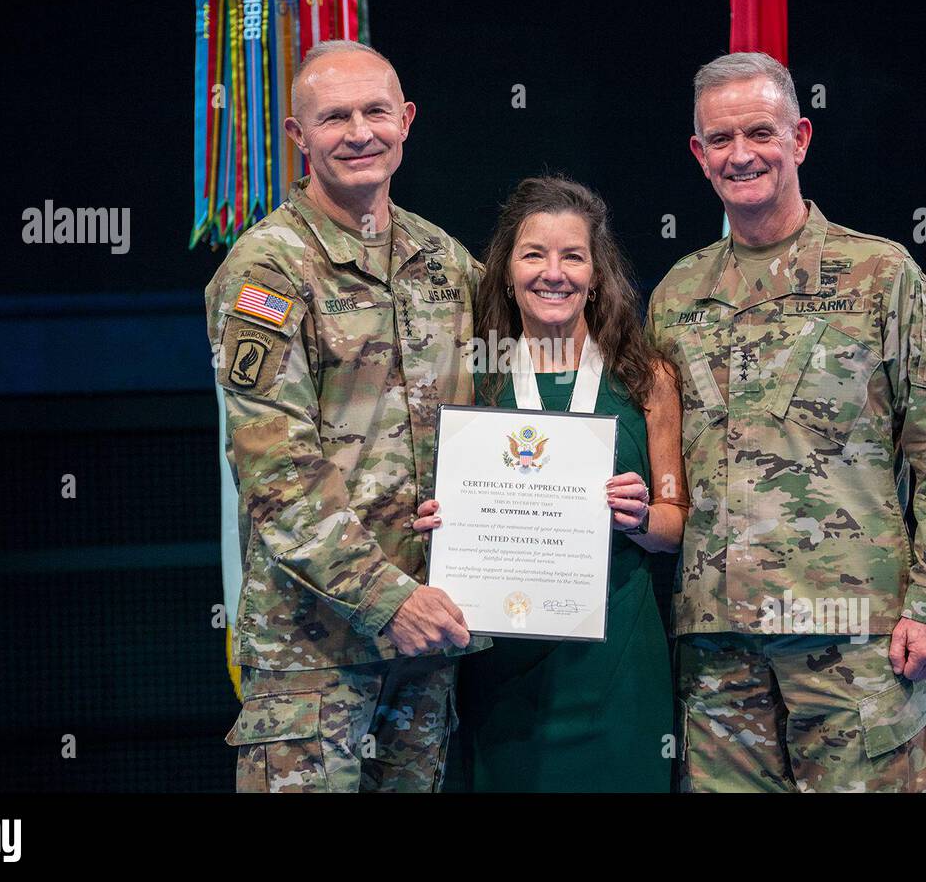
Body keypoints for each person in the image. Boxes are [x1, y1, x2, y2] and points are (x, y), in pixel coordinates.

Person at [648, 52, 926, 792]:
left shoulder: (881, 275)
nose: (741, 154)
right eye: (720, 139)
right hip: (720, 650)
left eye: (760, 132)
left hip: (857, 638)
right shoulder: (676, 294)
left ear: (800, 138)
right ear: (698, 154)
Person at [206, 40, 488, 793]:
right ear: (299, 137)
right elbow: (275, 473)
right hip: (315, 650)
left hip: (429, 638)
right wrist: (385, 599)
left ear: (408, 121)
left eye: (375, 111)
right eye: (334, 117)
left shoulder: (444, 260)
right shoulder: (266, 269)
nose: (359, 132)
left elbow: (530, 391)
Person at [416, 176, 688, 792]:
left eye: (573, 256)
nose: (553, 273)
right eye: (534, 254)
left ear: (597, 273)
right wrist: (440, 522)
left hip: (616, 658)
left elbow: (676, 523)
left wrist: (642, 518)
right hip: (504, 665)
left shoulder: (648, 377)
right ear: (506, 270)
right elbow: (438, 504)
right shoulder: (470, 378)